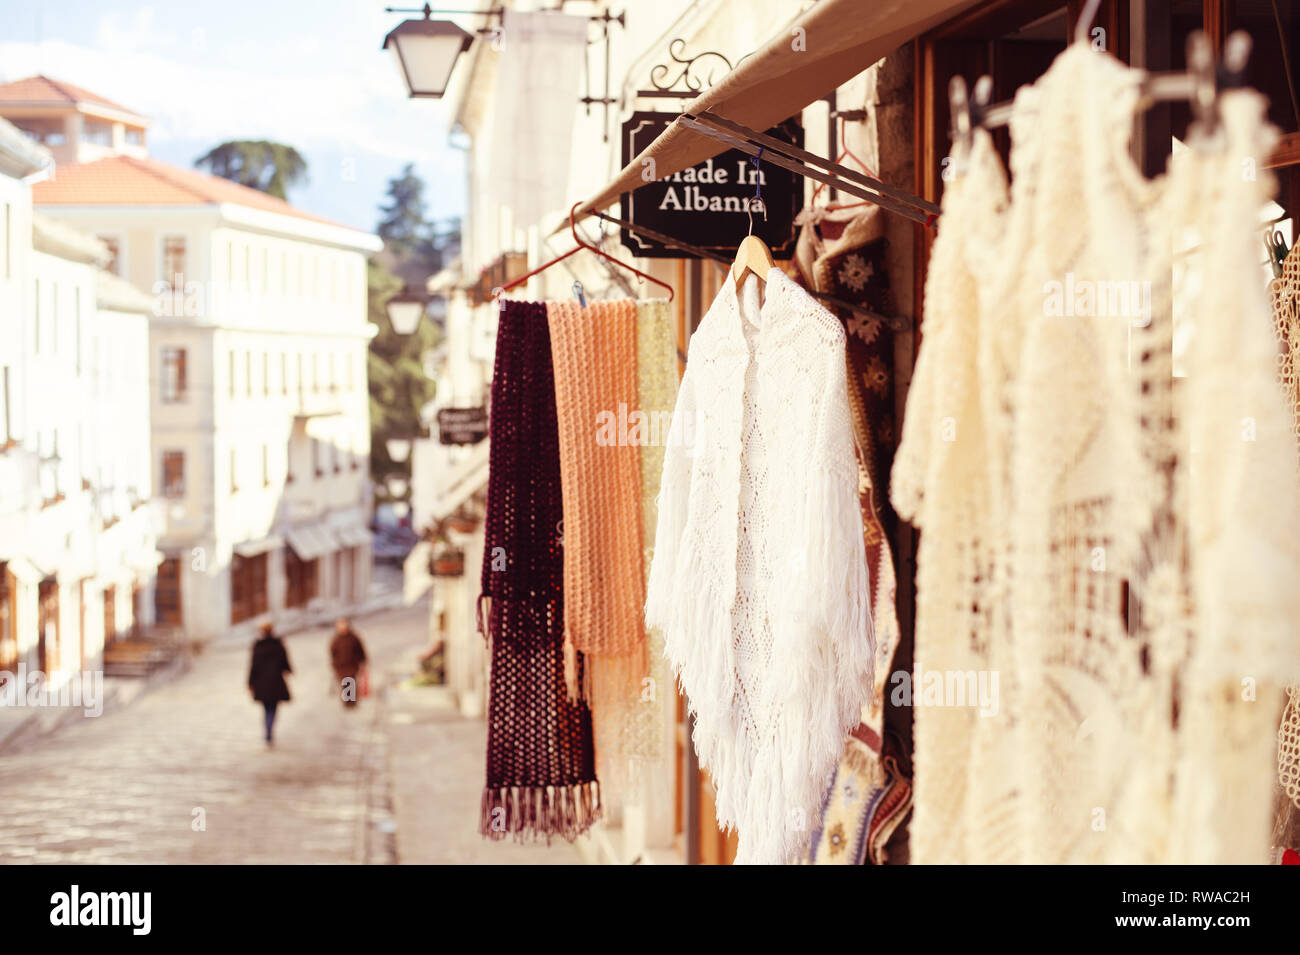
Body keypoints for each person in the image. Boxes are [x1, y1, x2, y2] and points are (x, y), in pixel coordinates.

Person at [248, 622, 292, 745]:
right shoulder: (277, 644)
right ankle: (269, 730)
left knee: (266, 708)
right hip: (275, 682)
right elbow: (285, 661)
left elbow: (253, 666)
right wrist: (289, 670)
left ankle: (267, 731)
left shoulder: (258, 646)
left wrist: (250, 682)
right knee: (273, 708)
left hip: (261, 684)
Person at [329, 618, 368, 708]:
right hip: (341, 667)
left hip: (352, 665)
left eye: (344, 625)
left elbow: (360, 650)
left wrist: (363, 660)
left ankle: (353, 702)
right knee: (345, 684)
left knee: (352, 682)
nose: (343, 627)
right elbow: (333, 654)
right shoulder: (336, 640)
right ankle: (347, 702)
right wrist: (334, 664)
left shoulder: (353, 638)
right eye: (340, 626)